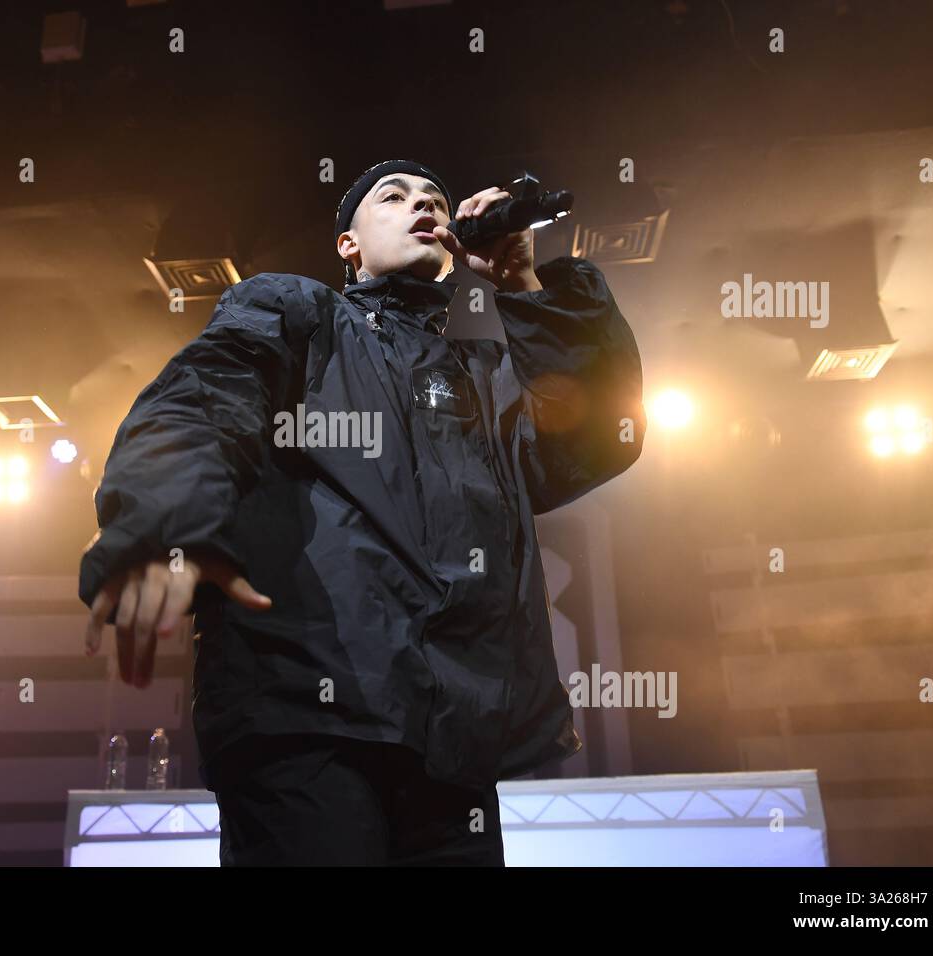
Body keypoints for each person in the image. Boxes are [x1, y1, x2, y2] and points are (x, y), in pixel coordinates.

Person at [79, 159, 646, 865]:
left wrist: (521, 284)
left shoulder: (478, 370)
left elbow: (593, 440)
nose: (423, 206)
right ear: (348, 244)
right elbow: (205, 396)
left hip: (452, 740)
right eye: (395, 196)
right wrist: (157, 524)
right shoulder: (299, 312)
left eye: (435, 199)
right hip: (307, 719)